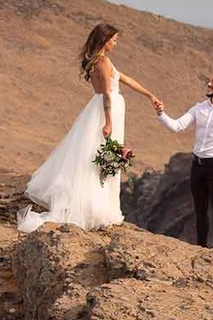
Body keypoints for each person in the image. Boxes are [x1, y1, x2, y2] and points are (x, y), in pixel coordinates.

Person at [18, 23, 163, 234]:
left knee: (99, 156)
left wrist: (150, 95)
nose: (116, 43)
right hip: (106, 111)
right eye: (113, 40)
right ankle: (94, 208)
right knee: (101, 156)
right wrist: (108, 121)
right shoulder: (102, 62)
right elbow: (106, 94)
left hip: (104, 109)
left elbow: (125, 79)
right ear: (104, 40)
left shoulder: (102, 60)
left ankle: (94, 205)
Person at [154, 72, 213, 247]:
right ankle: (200, 249)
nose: (209, 84)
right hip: (198, 166)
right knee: (200, 211)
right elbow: (178, 126)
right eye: (210, 81)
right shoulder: (199, 108)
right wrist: (161, 114)